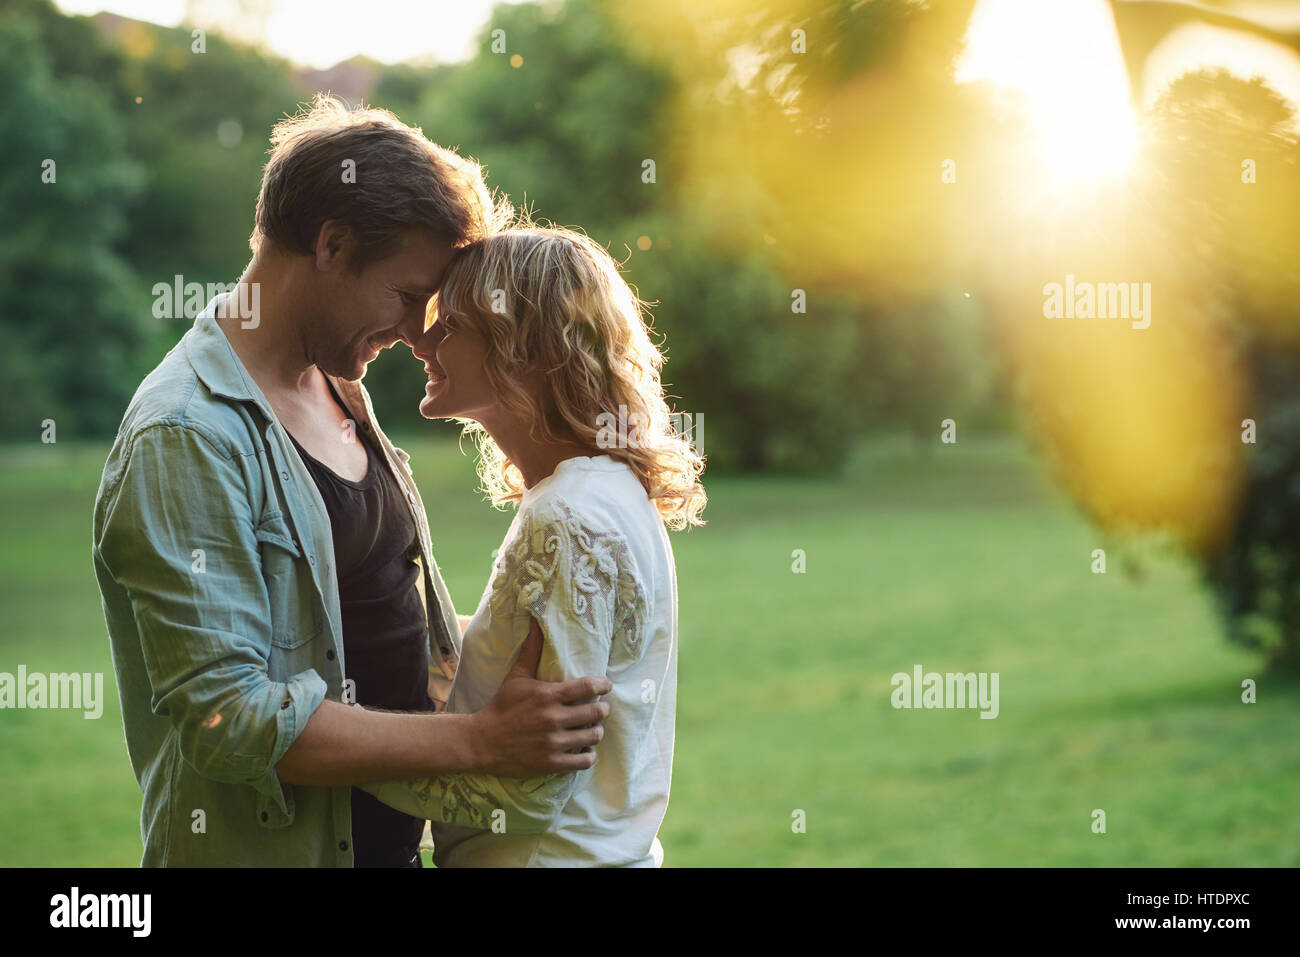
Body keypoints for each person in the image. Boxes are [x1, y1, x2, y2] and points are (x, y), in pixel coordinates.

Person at [91, 95, 611, 867]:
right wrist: (477, 739)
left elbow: (376, 620)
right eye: (406, 297)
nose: (414, 333)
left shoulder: (339, 389)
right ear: (331, 245)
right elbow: (231, 717)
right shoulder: (185, 434)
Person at [361, 226, 706, 866]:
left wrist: (327, 757)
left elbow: (531, 786)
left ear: (524, 351)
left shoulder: (569, 517)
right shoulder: (604, 492)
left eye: (453, 324)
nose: (423, 341)